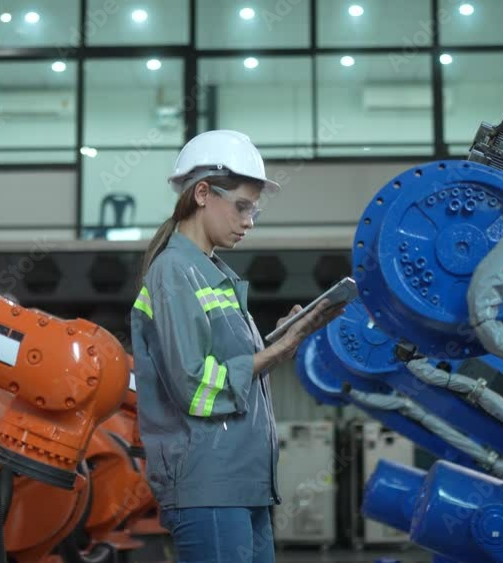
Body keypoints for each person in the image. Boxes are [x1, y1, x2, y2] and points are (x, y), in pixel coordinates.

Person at [130, 130, 345, 563]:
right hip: (208, 483)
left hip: (242, 481)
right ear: (203, 193)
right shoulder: (174, 271)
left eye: (254, 212)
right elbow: (195, 385)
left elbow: (229, 363)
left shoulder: (213, 274)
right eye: (242, 207)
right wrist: (279, 351)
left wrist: (280, 336)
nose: (249, 222)